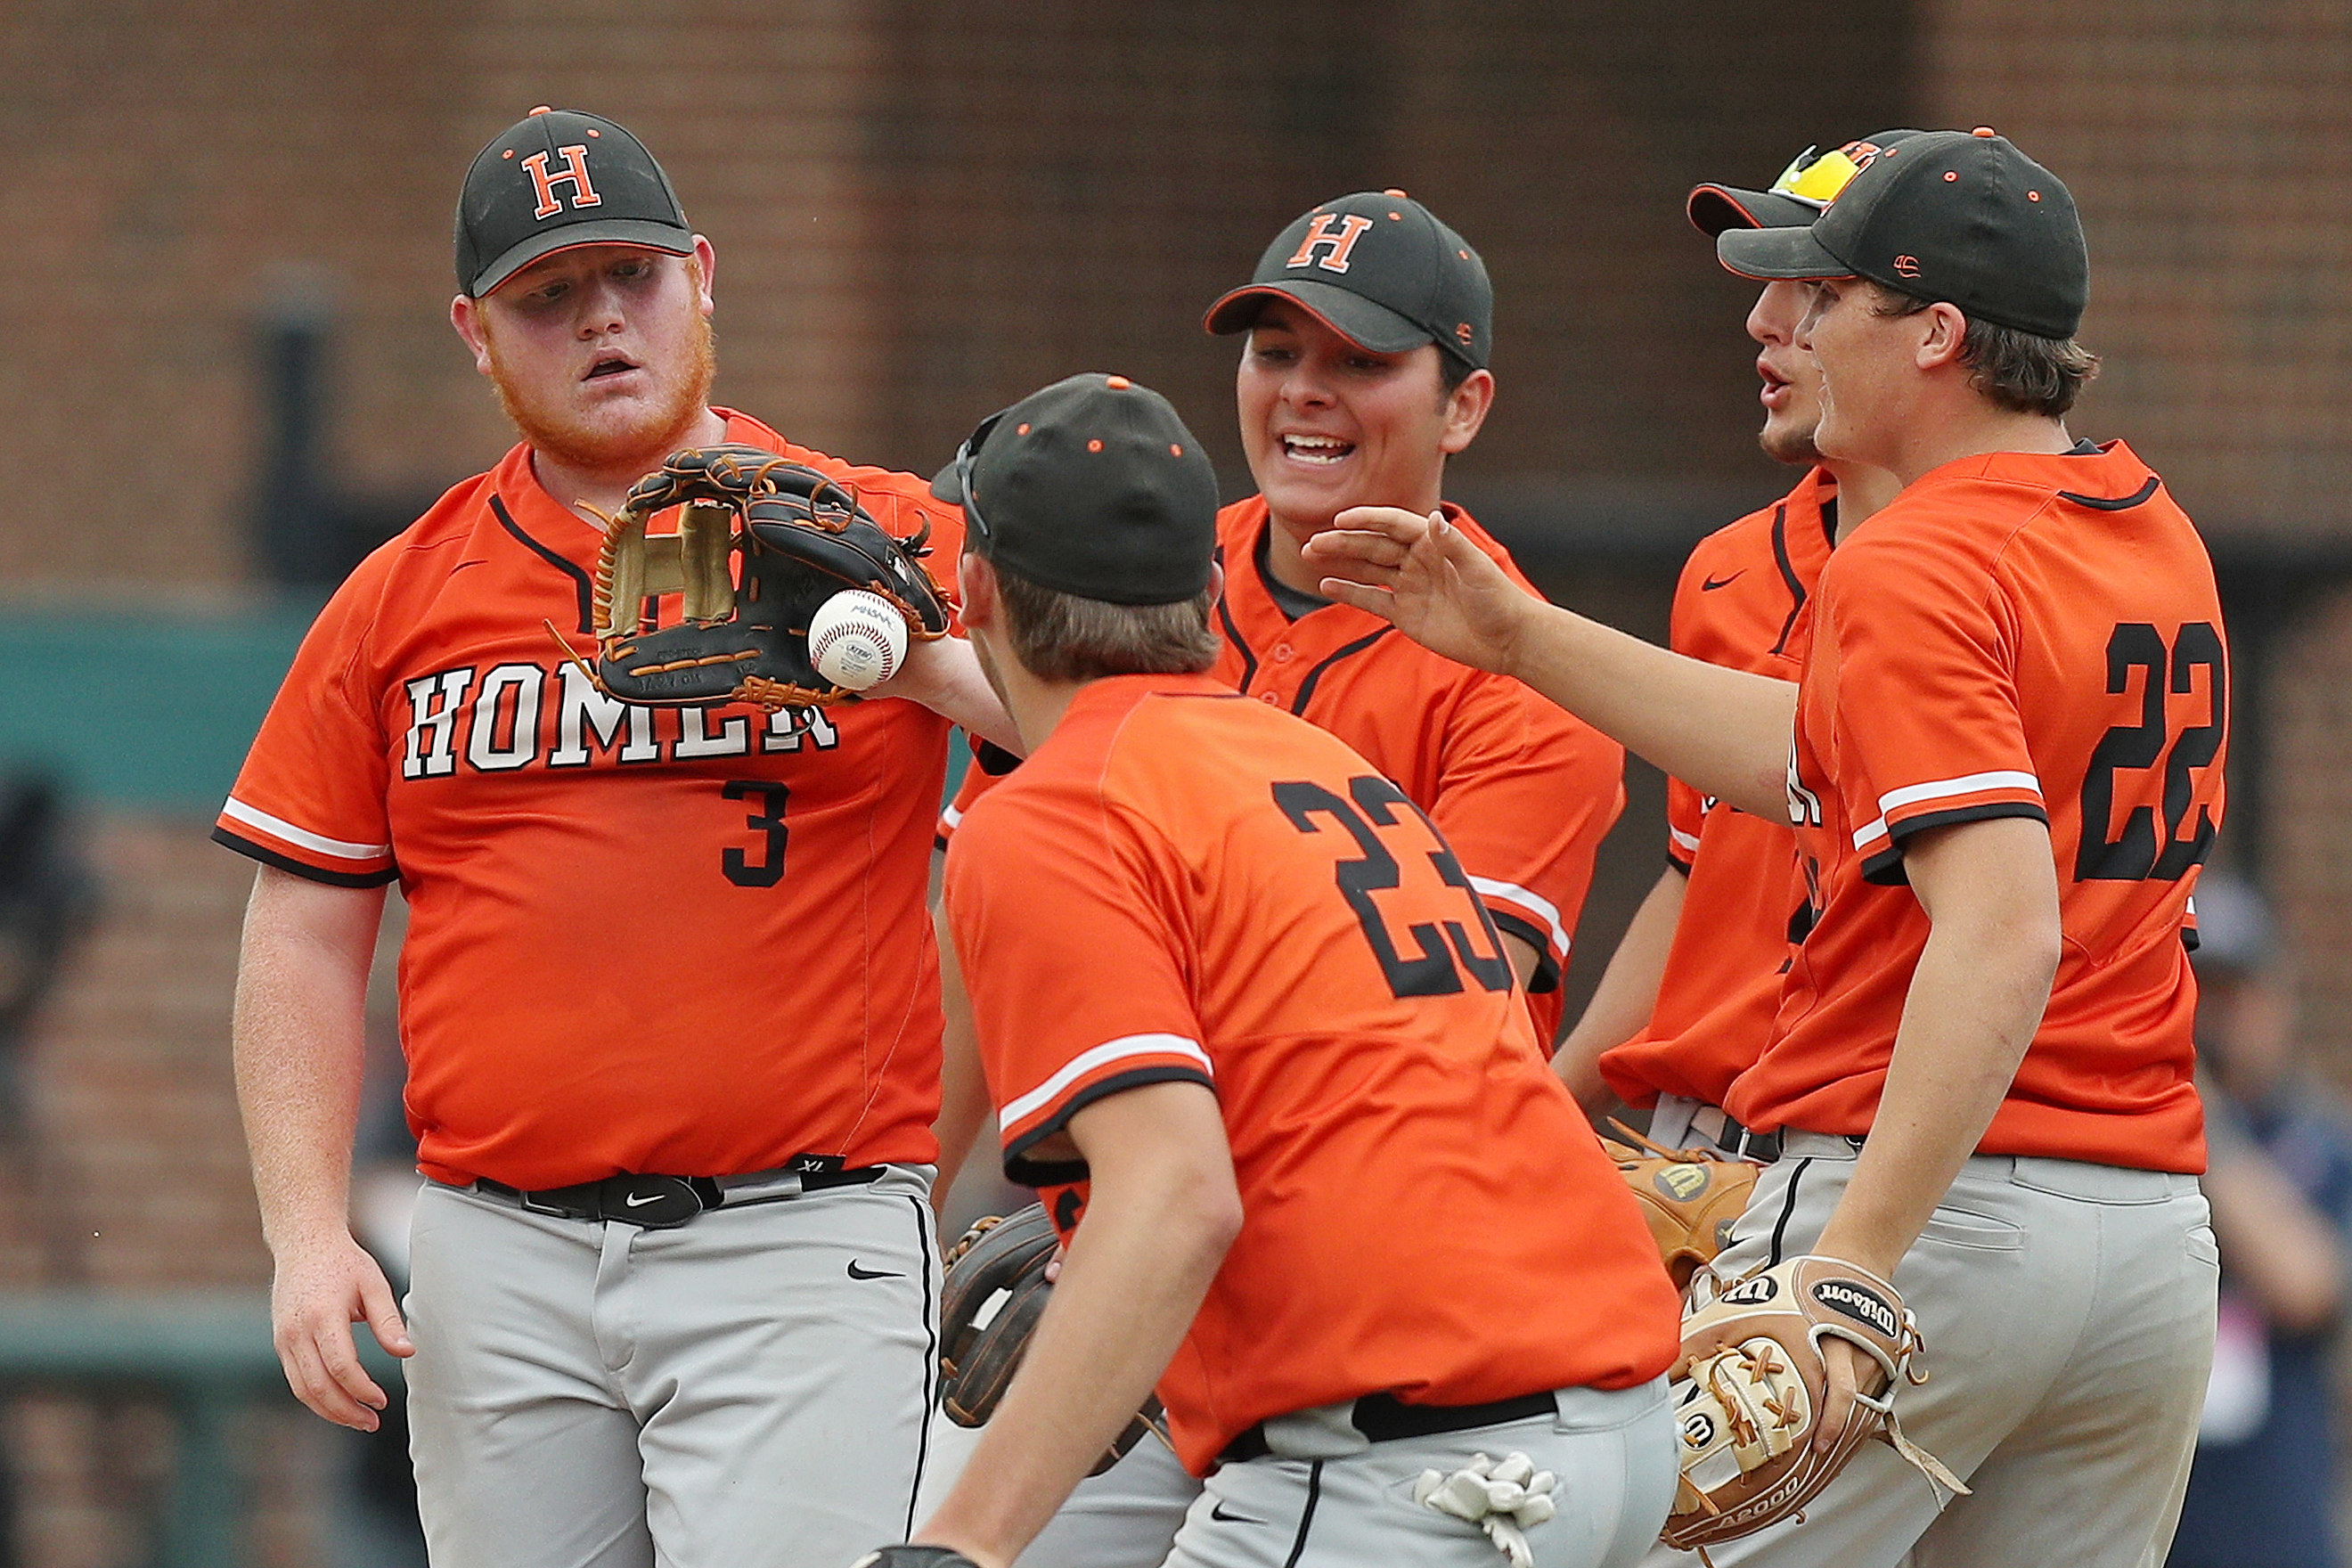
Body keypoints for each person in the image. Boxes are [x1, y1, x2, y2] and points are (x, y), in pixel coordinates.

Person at [1310, 128, 2225, 1566]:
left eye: (1822, 293)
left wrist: (1851, 1263)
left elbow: (2004, 928)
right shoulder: (2142, 522)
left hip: (1925, 1208)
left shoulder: (1916, 555)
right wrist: (1521, 637)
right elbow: (1814, 760)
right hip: (2146, 1243)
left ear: (1936, 335)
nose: (1764, 320)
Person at [218, 107, 1017, 1568]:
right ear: (475, 330)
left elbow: (1127, 741)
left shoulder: (890, 535)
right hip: (493, 1250)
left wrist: (908, 656)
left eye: (631, 278)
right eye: (546, 296)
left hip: (796, 1235)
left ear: (703, 275)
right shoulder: (403, 597)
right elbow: (302, 922)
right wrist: (304, 1231)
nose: (600, 321)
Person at [919, 190, 1631, 1568]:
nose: (1304, 391)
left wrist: (1118, 1229)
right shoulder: (1152, 553)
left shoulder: (1524, 671)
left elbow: (1381, 1033)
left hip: (1373, 1309)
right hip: (1210, 1278)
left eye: (1359, 360)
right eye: (1273, 350)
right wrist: (902, 1223)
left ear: (1463, 406)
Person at [1553, 142, 1905, 1147]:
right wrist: (1548, 1105)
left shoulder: (2013, 566)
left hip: (1900, 1147)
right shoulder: (1725, 569)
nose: (1764, 319)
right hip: (1702, 1132)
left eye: (1814, 284)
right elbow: (1693, 872)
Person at [2168, 875, 2352, 1568]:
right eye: (2198, 993)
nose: (2214, 1019)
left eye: (2233, 994)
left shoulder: (2320, 1145)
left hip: (2271, 1526)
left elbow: (2306, 1284)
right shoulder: (2124, 1153)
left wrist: (2195, 1115)